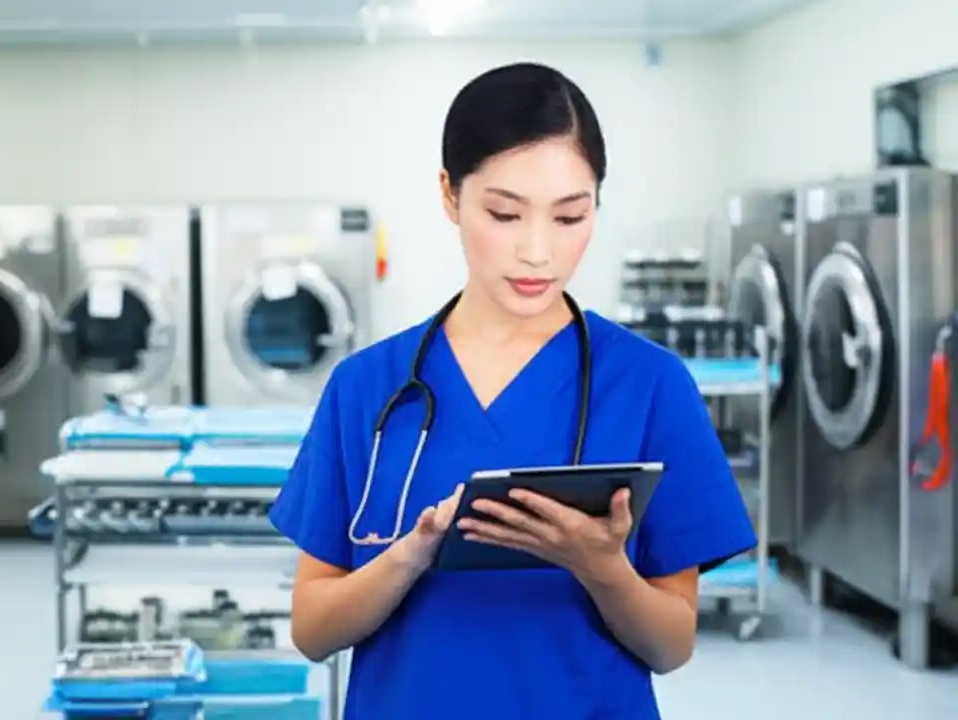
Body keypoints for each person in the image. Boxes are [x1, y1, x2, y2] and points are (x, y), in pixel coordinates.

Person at [267, 61, 757, 719]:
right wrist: (407, 559)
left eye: (569, 217)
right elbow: (312, 631)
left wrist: (600, 565)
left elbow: (671, 646)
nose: (536, 252)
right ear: (450, 194)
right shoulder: (369, 389)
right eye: (504, 213)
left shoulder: (649, 384)